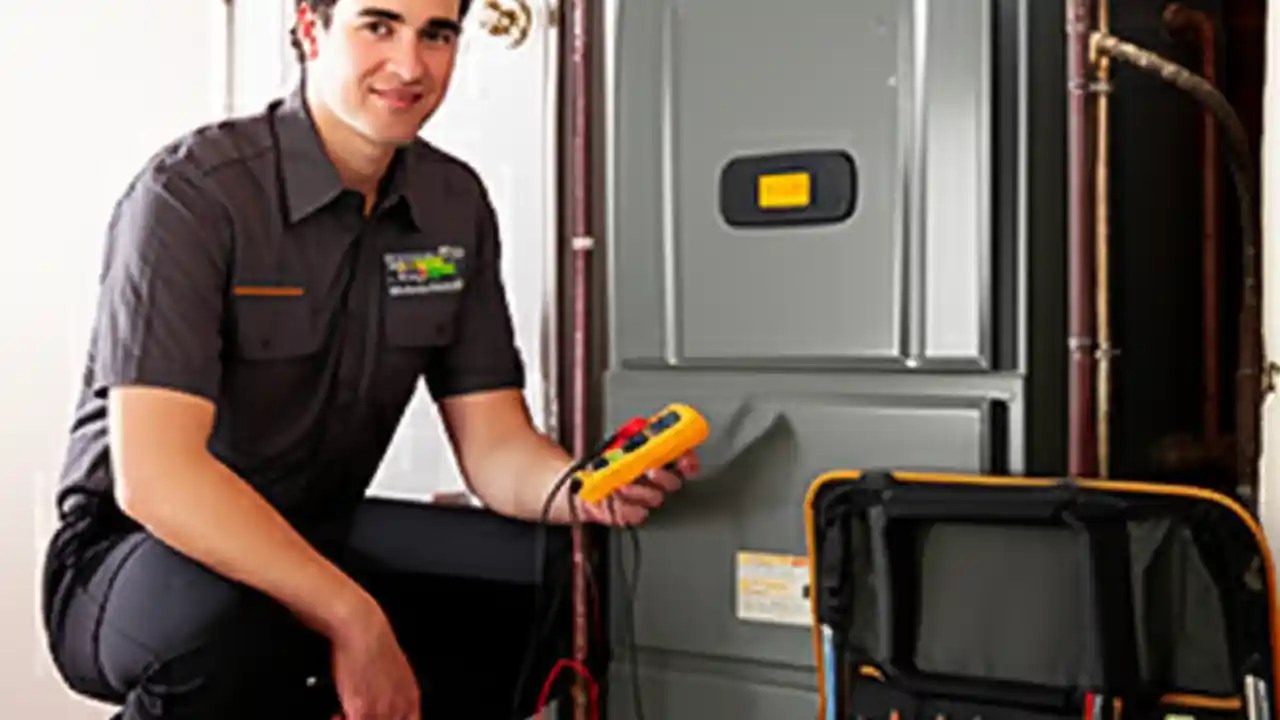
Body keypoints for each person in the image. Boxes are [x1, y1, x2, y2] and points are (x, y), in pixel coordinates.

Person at [39, 0, 697, 718]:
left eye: (436, 34)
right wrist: (353, 617)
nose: (411, 66)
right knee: (227, 620)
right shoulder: (192, 195)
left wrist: (583, 489)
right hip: (133, 553)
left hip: (322, 523)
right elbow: (159, 481)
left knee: (555, 575)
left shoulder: (454, 204)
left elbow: (496, 446)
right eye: (378, 26)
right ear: (311, 27)